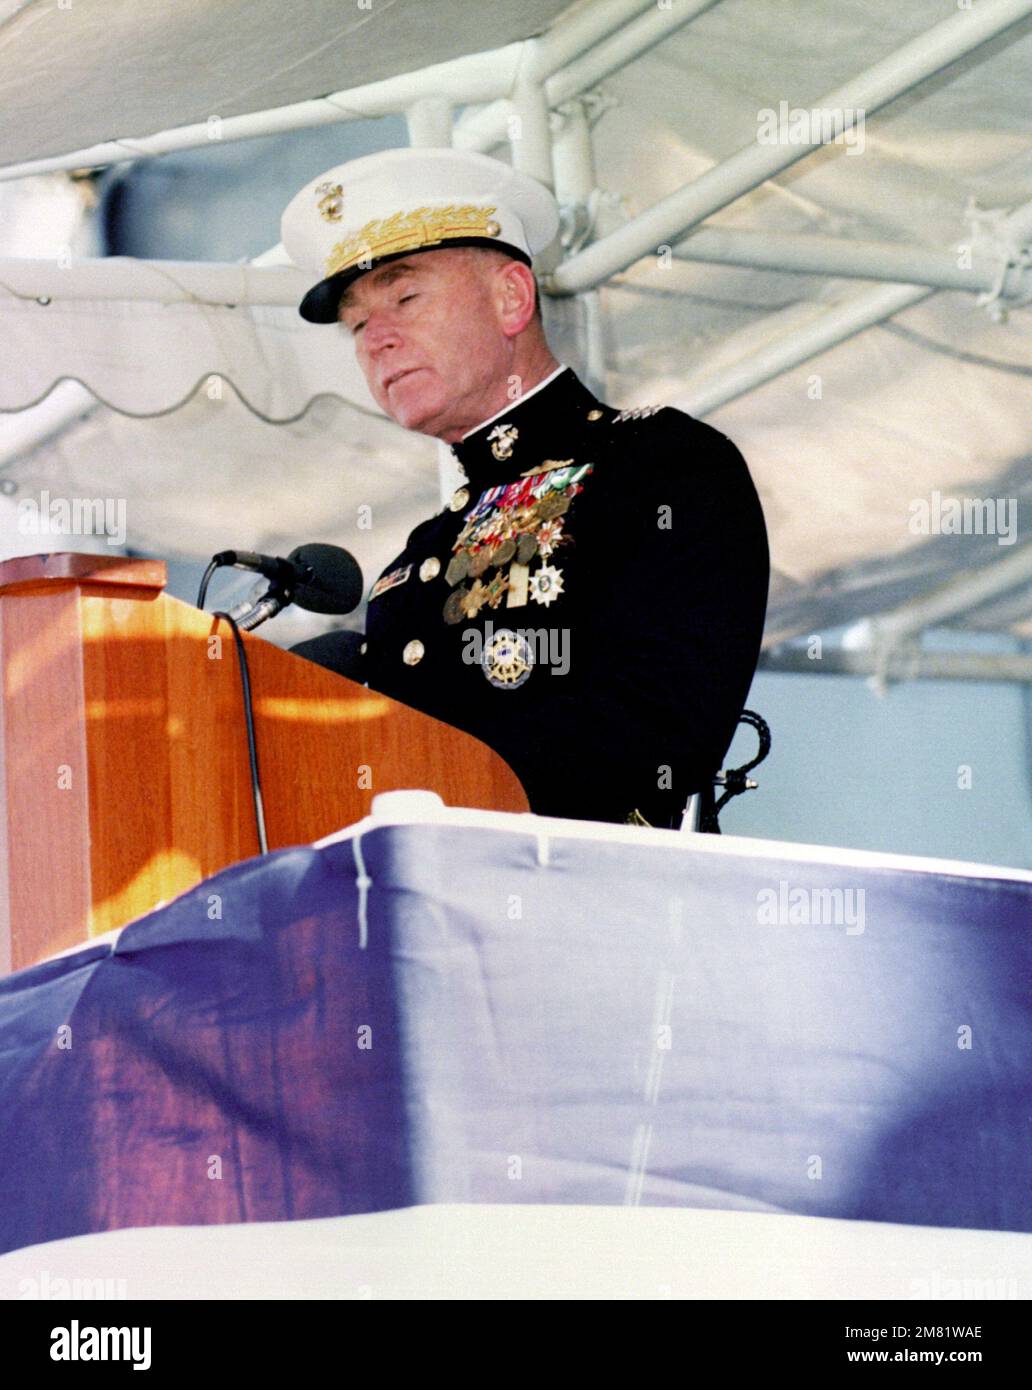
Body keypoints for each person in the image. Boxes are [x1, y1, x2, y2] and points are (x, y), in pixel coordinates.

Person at [281, 147, 769, 829]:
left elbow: (657, 728)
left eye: (405, 296)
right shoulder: (421, 555)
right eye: (359, 324)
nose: (376, 340)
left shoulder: (656, 463)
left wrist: (437, 800)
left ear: (511, 297)